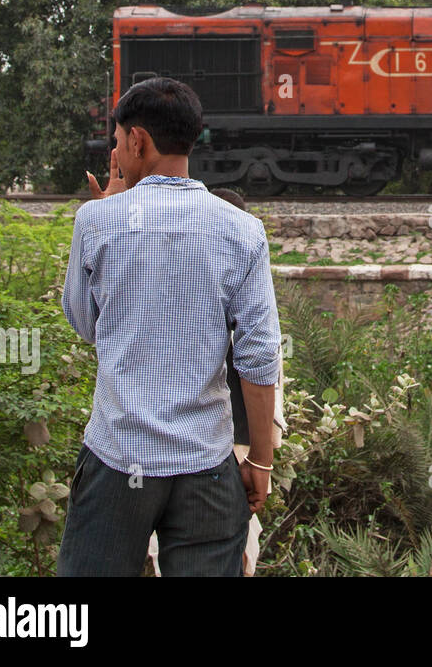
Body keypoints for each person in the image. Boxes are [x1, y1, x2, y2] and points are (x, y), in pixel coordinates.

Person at [57, 78, 282, 577]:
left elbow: (86, 325)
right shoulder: (242, 230)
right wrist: (260, 462)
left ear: (138, 141)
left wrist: (105, 205)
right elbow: (259, 356)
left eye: (117, 143)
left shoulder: (96, 222)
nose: (117, 152)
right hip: (205, 462)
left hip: (118, 458)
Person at [147, 187, 287, 578]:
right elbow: (268, 381)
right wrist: (263, 459)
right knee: (233, 549)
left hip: (194, 449)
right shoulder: (252, 302)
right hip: (228, 450)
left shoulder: (181, 296)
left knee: (189, 551)